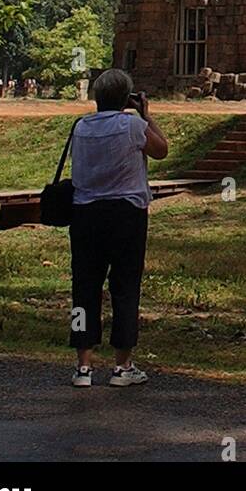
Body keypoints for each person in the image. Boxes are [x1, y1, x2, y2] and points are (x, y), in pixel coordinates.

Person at [68, 68, 168, 388]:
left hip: (84, 213)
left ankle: (83, 366)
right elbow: (161, 149)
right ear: (127, 98)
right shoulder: (132, 126)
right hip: (125, 213)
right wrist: (147, 115)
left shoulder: (80, 127)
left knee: (84, 287)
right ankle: (122, 366)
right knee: (125, 287)